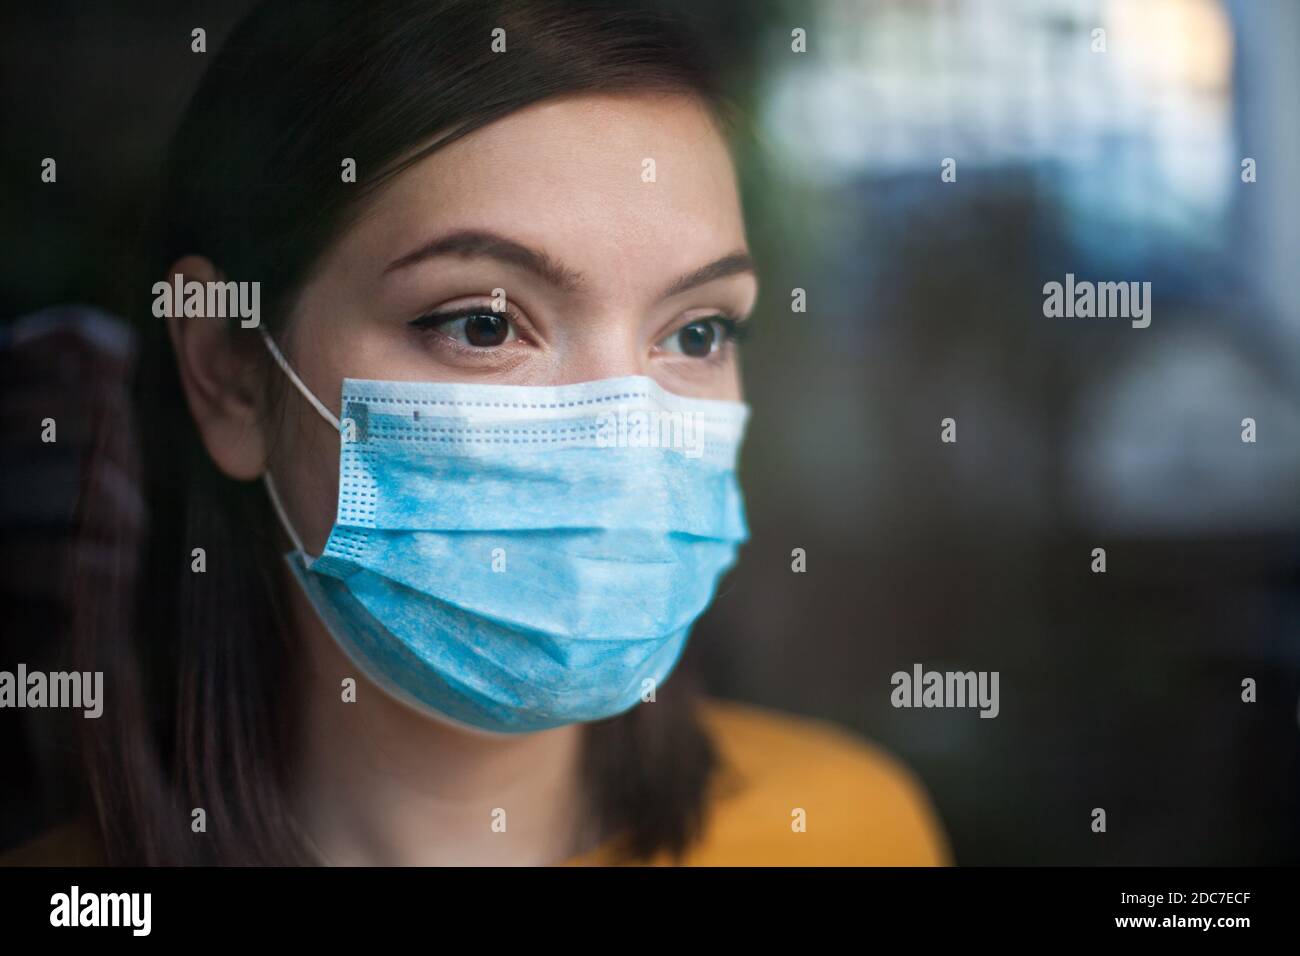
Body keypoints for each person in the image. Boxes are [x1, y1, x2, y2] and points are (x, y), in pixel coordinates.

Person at [1, 0, 949, 867]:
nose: (622, 440)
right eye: (484, 323)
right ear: (231, 374)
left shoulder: (849, 831)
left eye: (696, 332)